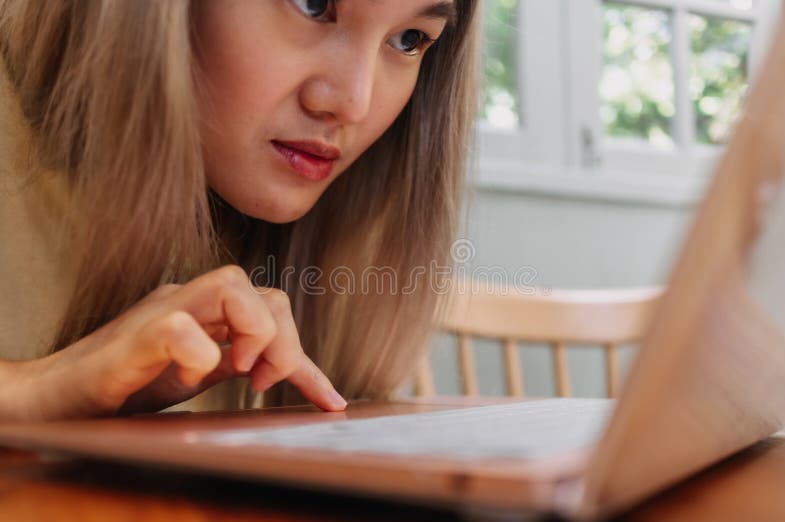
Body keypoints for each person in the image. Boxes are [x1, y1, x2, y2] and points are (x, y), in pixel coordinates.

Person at [0, 0, 479, 421]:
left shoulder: (335, 223)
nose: (355, 104)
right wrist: (38, 389)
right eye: (313, 5)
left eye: (409, 39)